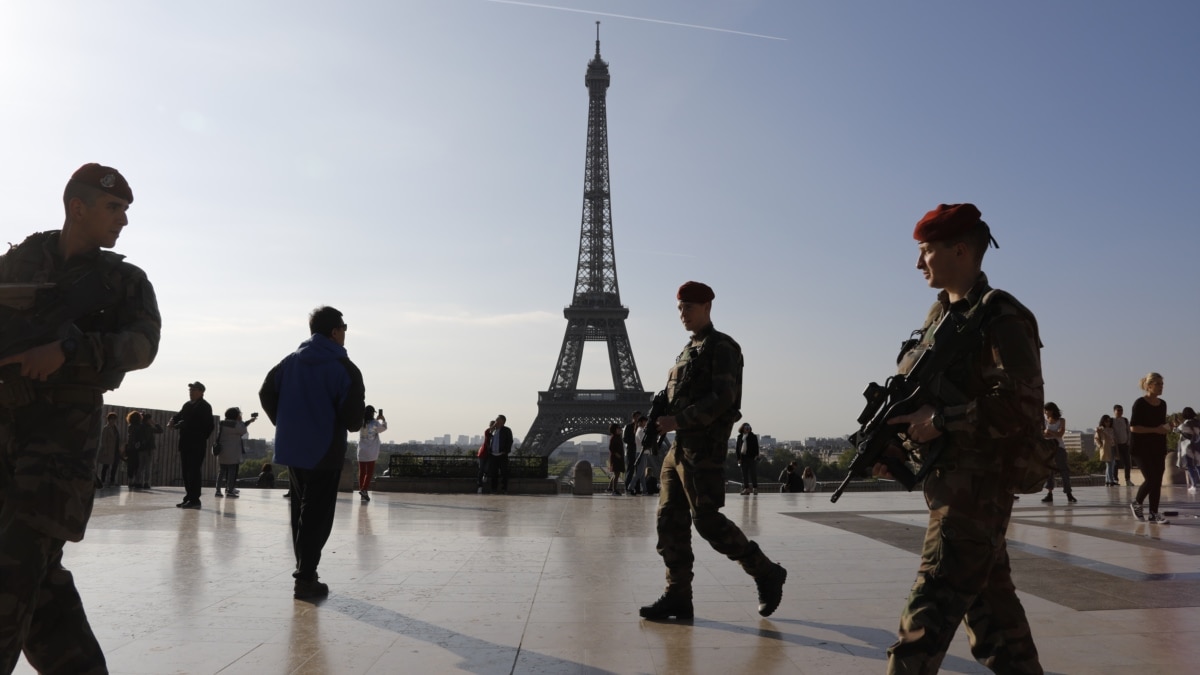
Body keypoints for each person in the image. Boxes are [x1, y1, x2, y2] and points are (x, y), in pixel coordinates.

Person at [0, 163, 160, 673]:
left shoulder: (123, 282)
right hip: (4, 443)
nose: (123, 221)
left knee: (11, 582)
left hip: (55, 464)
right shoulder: (17, 264)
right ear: (78, 207)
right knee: (44, 601)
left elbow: (141, 346)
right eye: (114, 209)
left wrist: (68, 350)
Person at [875, 204, 1043, 673]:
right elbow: (923, 402)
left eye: (926, 251)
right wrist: (900, 446)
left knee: (922, 622)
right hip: (951, 485)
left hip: (977, 491)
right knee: (998, 627)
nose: (918, 263)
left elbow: (1021, 409)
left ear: (961, 250)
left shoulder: (1003, 317)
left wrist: (943, 420)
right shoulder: (938, 317)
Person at [640, 281, 787, 621]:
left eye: (688, 307)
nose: (682, 314)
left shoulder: (723, 347)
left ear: (707, 306)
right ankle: (678, 595)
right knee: (669, 524)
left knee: (706, 521)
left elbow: (723, 400)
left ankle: (765, 572)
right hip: (679, 449)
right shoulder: (688, 350)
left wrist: (678, 419)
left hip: (703, 448)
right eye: (679, 308)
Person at [259, 305, 365, 599]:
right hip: (324, 450)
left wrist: (286, 423)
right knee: (317, 515)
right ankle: (305, 578)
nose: (345, 334)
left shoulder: (290, 362)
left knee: (300, 510)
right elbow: (354, 421)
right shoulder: (345, 368)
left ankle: (305, 570)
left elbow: (265, 392)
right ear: (335, 332)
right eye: (344, 329)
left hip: (293, 448)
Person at [1129, 372, 1171, 524]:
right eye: (1158, 384)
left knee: (1157, 480)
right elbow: (1134, 427)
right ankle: (1137, 503)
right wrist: (1155, 430)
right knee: (1151, 478)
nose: (1161, 387)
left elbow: (1160, 426)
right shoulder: (1140, 403)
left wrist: (1166, 428)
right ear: (1149, 386)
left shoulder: (1163, 404)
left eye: (1162, 384)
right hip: (1141, 448)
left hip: (1158, 447)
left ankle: (1154, 513)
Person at [168, 382, 214, 509]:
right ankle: (188, 497)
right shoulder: (187, 405)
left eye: (194, 390)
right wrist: (173, 421)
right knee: (186, 472)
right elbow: (178, 416)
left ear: (201, 392)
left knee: (194, 471)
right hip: (185, 443)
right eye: (190, 390)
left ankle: (195, 499)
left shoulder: (205, 406)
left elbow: (209, 426)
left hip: (197, 444)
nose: (191, 392)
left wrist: (198, 435)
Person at [215, 407, 257, 498]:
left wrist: (248, 421)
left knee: (221, 472)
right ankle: (230, 490)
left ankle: (218, 491)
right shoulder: (236, 424)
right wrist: (241, 421)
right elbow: (243, 430)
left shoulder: (222, 423)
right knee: (232, 472)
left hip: (222, 451)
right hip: (233, 452)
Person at [1039, 402, 1075, 503]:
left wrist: (1049, 432)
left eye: (1047, 410)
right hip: (1048, 449)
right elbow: (1043, 435)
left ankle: (1069, 493)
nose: (1045, 413)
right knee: (1049, 472)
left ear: (1052, 410)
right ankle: (1049, 494)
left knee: (1064, 470)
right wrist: (1051, 434)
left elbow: (1060, 434)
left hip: (1059, 448)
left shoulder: (1061, 420)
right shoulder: (1044, 421)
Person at [357, 406, 387, 502]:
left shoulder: (361, 422)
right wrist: (383, 419)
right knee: (369, 472)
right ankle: (364, 490)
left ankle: (362, 490)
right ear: (373, 413)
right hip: (371, 452)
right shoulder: (374, 423)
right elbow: (383, 428)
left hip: (361, 451)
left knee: (362, 473)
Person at [128, 410, 162, 490]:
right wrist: (155, 423)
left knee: (140, 467)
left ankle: (138, 482)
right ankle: (146, 483)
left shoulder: (138, 426)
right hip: (149, 449)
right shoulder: (149, 428)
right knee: (147, 467)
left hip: (140, 449)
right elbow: (160, 430)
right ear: (148, 420)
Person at [1173, 407, 1200, 493]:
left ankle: (1194, 485)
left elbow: (1176, 430)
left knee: (1190, 467)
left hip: (1187, 449)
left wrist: (1175, 425)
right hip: (1197, 447)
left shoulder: (1183, 425)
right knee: (1198, 466)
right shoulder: (1197, 422)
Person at [486, 414, 513, 494]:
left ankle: (504, 489)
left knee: (504, 473)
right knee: (494, 473)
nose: (496, 421)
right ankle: (493, 489)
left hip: (502, 455)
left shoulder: (507, 430)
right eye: (496, 420)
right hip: (493, 455)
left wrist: (506, 451)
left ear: (502, 422)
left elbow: (510, 441)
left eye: (497, 420)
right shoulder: (493, 430)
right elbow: (486, 436)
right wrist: (491, 428)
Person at [97, 412, 122, 488]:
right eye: (112, 419)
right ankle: (103, 480)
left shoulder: (115, 428)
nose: (113, 421)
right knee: (106, 466)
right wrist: (105, 450)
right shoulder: (106, 428)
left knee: (115, 466)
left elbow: (117, 439)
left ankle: (112, 480)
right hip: (108, 450)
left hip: (116, 450)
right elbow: (103, 440)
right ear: (109, 419)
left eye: (114, 419)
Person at [1112, 404, 1134, 486]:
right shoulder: (1112, 421)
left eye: (1121, 410)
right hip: (1116, 445)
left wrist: (1128, 441)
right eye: (1118, 410)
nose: (1120, 412)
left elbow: (1129, 431)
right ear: (1114, 411)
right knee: (1116, 463)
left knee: (1127, 463)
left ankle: (1127, 479)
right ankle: (1115, 479)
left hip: (1125, 444)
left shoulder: (1125, 420)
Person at [735, 422, 760, 495]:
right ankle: (746, 489)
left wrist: (756, 455)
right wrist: (738, 458)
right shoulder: (739, 437)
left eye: (748, 428)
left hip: (751, 457)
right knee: (744, 474)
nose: (747, 429)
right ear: (743, 428)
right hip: (743, 458)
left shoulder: (753, 436)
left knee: (753, 473)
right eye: (746, 428)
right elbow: (737, 448)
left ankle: (755, 488)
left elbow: (756, 446)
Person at [1095, 414, 1119, 486]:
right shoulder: (1100, 429)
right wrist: (1101, 445)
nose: (1108, 423)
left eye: (1109, 421)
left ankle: (1107, 480)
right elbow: (1096, 438)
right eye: (1106, 421)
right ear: (1103, 422)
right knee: (1109, 464)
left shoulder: (1111, 429)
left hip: (1113, 447)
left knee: (1112, 464)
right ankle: (1110, 480)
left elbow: (1114, 438)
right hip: (1106, 448)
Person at [623, 411, 641, 494]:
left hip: (639, 451)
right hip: (631, 450)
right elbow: (625, 439)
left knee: (639, 471)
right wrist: (634, 441)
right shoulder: (628, 427)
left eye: (639, 417)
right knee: (630, 470)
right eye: (637, 417)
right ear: (633, 417)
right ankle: (627, 487)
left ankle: (637, 488)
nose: (638, 419)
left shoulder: (641, 428)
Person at [476, 420, 495, 494]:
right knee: (481, 470)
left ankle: (485, 476)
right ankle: (480, 486)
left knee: (486, 469)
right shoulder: (487, 432)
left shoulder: (495, 435)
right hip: (483, 453)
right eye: (492, 425)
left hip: (489, 454)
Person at [606, 423, 625, 495]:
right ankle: (614, 490)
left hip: (618, 458)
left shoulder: (617, 437)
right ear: (614, 430)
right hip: (616, 458)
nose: (619, 429)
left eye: (620, 428)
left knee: (616, 474)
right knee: (616, 474)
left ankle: (610, 488)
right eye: (618, 429)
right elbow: (611, 448)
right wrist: (617, 455)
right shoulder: (614, 437)